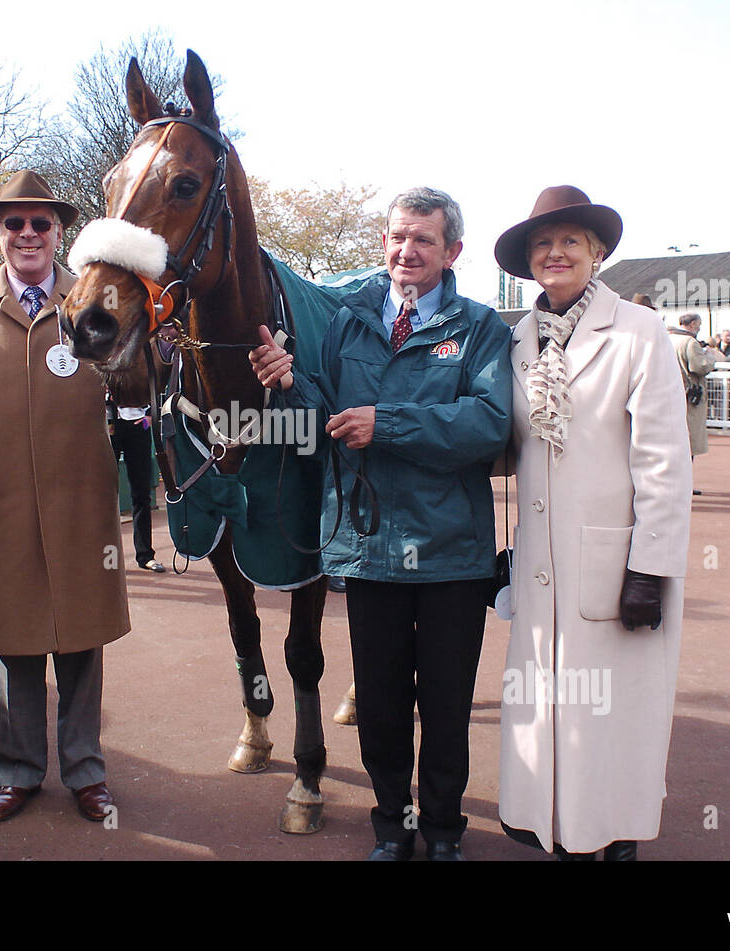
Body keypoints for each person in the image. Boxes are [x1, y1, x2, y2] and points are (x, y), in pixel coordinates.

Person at [250, 186, 512, 861]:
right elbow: (326, 418)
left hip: (453, 551)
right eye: (398, 236)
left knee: (447, 705)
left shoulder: (481, 327)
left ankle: (445, 830)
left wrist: (386, 423)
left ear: (452, 250)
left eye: (423, 239)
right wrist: (289, 383)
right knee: (384, 702)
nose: (406, 250)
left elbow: (488, 425)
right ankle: (391, 826)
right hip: (369, 547)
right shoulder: (348, 321)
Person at [492, 185, 692, 861]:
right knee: (551, 706)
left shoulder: (640, 333)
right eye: (542, 244)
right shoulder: (517, 338)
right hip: (544, 559)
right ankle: (553, 821)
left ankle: (618, 832)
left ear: (597, 252)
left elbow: (665, 462)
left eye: (570, 241)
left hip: (617, 562)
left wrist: (650, 568)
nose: (555, 253)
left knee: (614, 711)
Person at [0, 170, 130, 827]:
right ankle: (17, 773)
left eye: (40, 223)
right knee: (15, 643)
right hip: (1, 500)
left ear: (59, 232)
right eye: (13, 223)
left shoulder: (96, 300)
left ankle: (86, 772)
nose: (27, 234)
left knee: (81, 640)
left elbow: (140, 384)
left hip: (81, 500)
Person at [107, 393, 165, 572]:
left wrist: (149, 417)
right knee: (105, 494)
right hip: (110, 423)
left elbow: (158, 385)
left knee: (141, 493)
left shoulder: (143, 364)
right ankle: (107, 558)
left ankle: (146, 555)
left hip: (139, 425)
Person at [670, 312, 716, 493]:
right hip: (690, 397)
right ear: (693, 324)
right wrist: (710, 358)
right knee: (689, 442)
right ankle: (684, 484)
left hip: (673, 393)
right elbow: (699, 366)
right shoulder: (689, 342)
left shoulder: (669, 338)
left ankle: (676, 484)